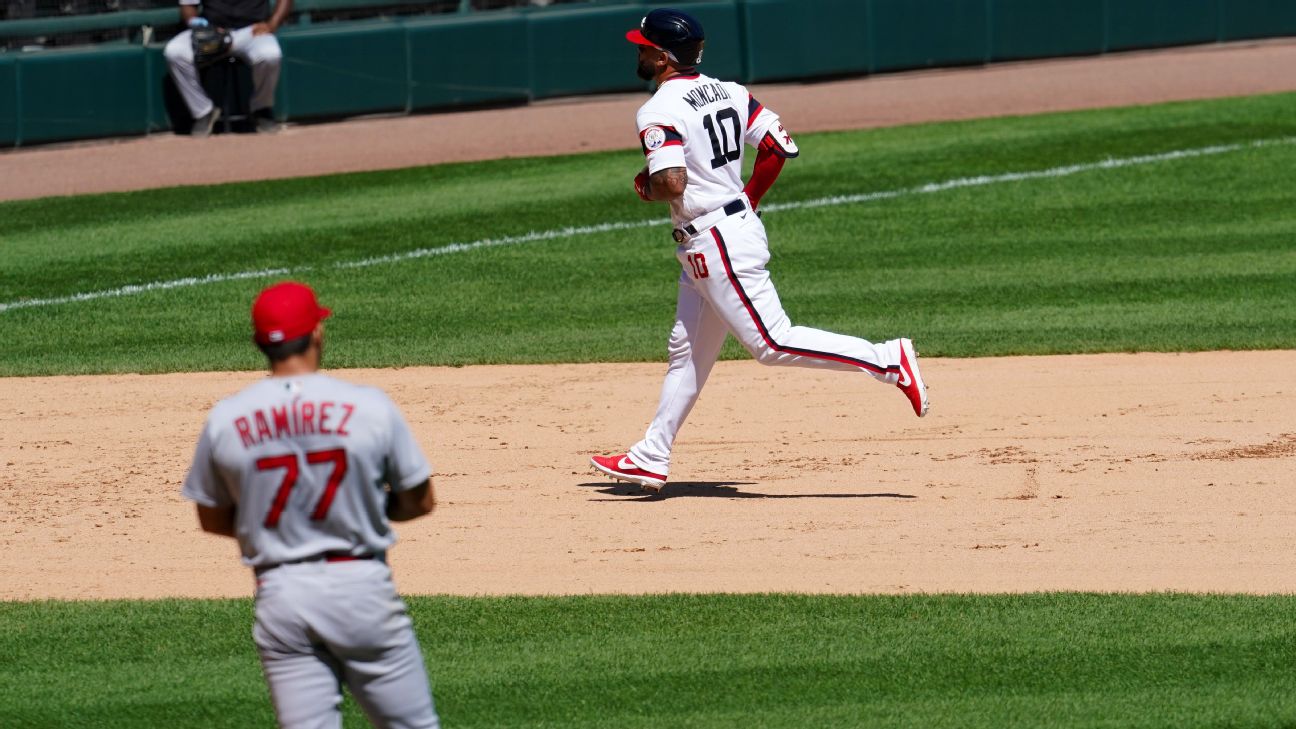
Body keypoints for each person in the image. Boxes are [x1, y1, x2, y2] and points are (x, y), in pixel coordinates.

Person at [590, 8, 930, 494]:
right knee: (685, 354)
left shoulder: (659, 110)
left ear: (663, 57)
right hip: (721, 233)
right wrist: (749, 197)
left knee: (771, 343)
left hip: (716, 240)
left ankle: (887, 359)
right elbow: (777, 146)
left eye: (644, 46)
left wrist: (647, 187)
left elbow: (672, 181)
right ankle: (651, 455)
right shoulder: (730, 90)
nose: (638, 51)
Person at [182, 282, 440, 729]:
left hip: (281, 597)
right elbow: (420, 500)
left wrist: (275, 525)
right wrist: (364, 511)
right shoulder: (368, 406)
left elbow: (211, 516)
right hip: (361, 589)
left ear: (258, 343)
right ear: (318, 334)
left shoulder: (227, 418)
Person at [164, 0, 290, 136]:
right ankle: (203, 111)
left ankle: (261, 109)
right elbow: (187, 6)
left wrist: (273, 23)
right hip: (212, 30)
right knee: (175, 52)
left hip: (251, 31)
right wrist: (199, 24)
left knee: (270, 55)